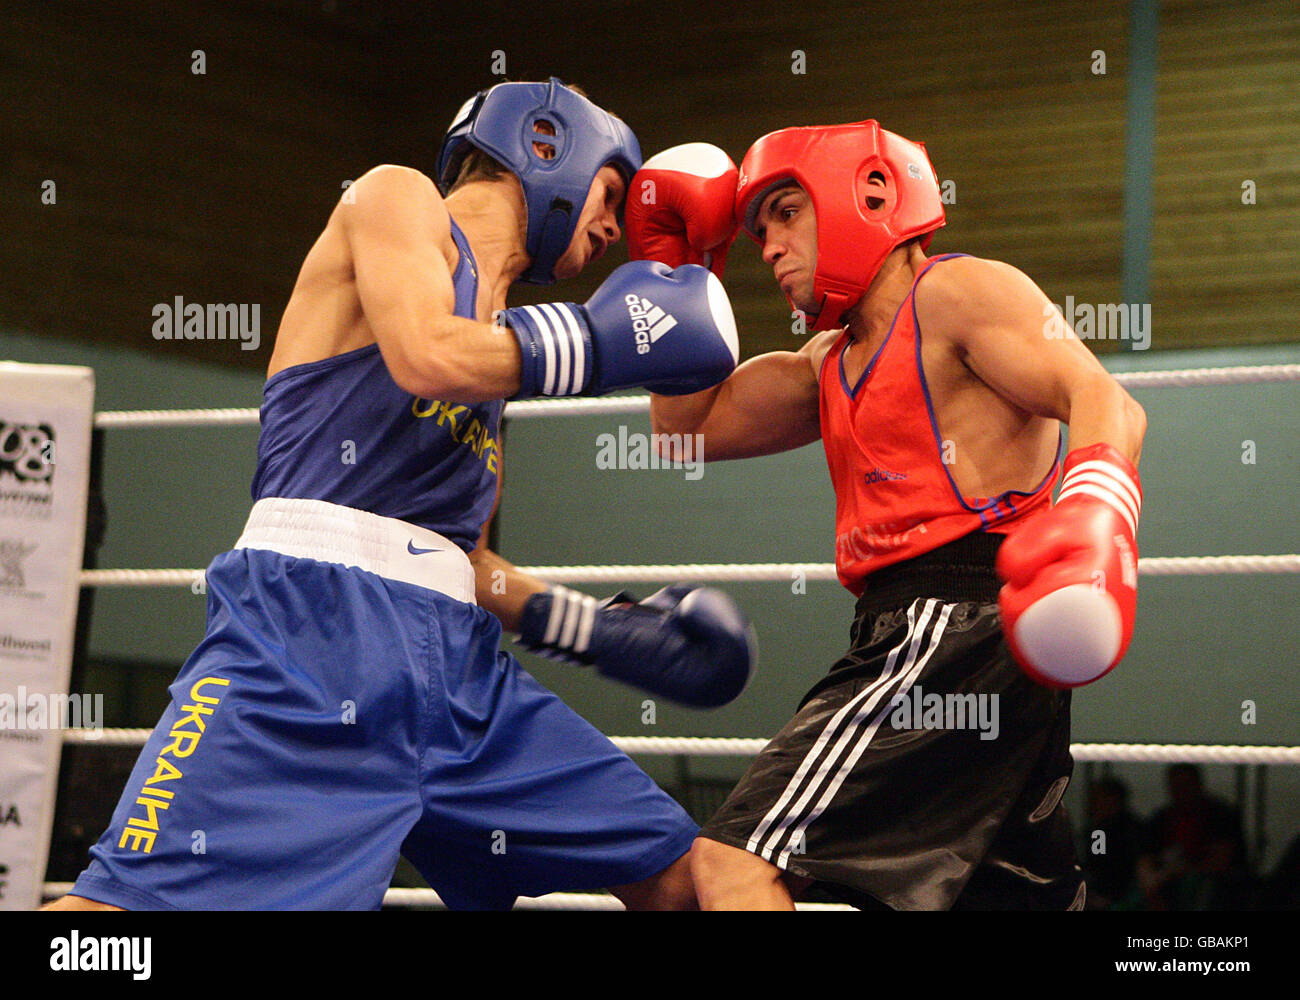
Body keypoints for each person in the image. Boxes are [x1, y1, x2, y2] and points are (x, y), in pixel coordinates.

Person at [46, 78, 754, 911]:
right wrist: (600, 340)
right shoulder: (398, 198)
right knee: (118, 916)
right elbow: (423, 352)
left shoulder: (496, 358)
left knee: (695, 881)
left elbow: (466, 561)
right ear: (545, 145)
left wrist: (597, 630)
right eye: (610, 192)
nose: (615, 225)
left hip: (457, 673)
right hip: (305, 635)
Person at [625, 121, 1147, 909]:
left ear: (866, 193)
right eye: (757, 230)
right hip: (927, 636)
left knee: (732, 863)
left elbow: (1104, 399)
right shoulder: (825, 362)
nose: (768, 246)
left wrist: (1097, 515)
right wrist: (672, 268)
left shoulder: (958, 293)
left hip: (955, 624)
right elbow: (681, 430)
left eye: (787, 212)